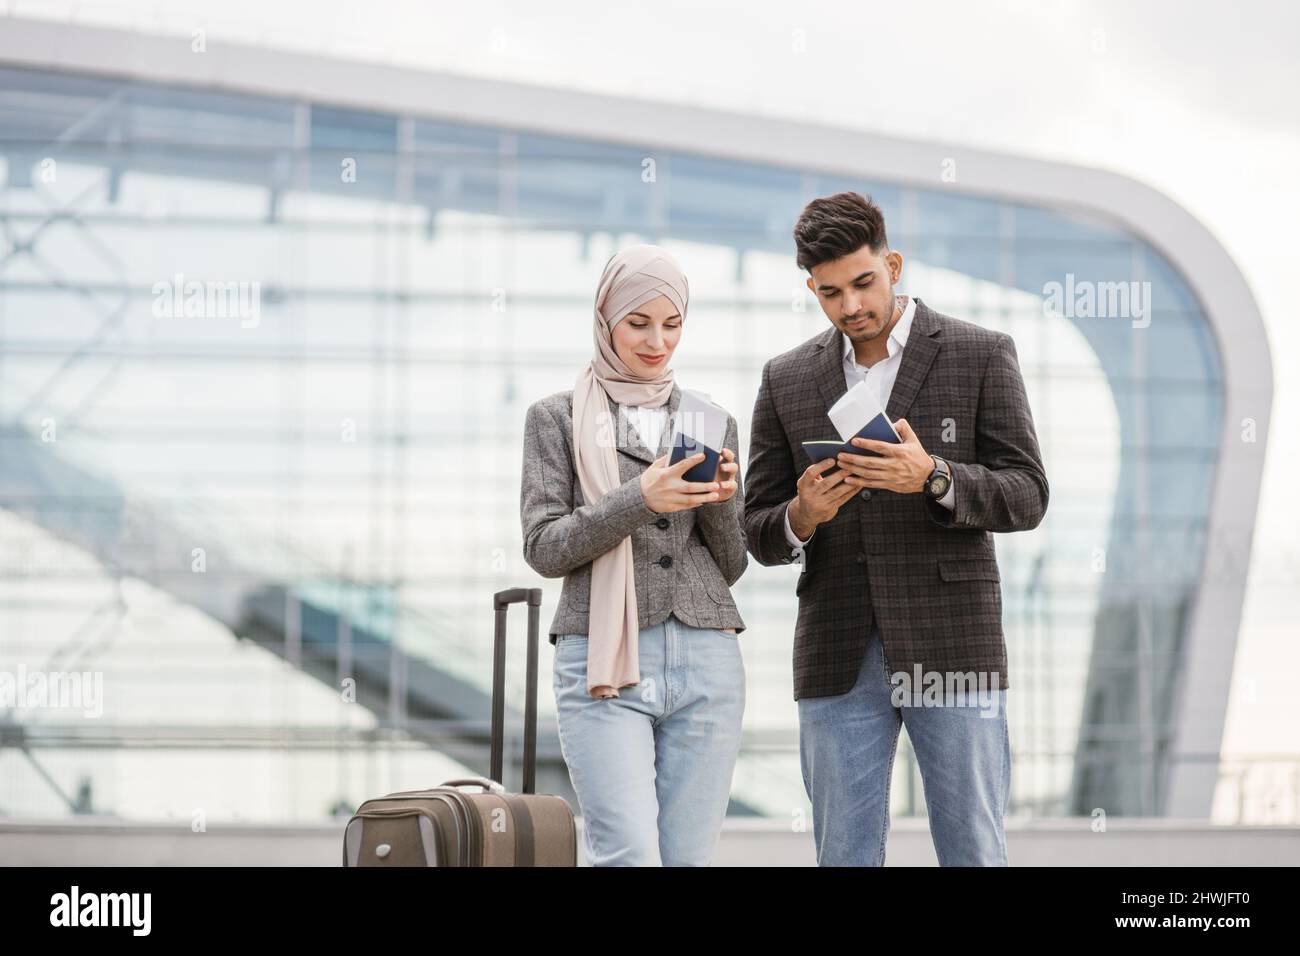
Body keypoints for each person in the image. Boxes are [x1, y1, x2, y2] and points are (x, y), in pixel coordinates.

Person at [743, 192, 1049, 866]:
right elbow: (756, 529)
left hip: (954, 643)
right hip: (837, 648)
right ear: (811, 290)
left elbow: (1028, 494)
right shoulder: (787, 379)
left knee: (973, 848)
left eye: (863, 283)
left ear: (895, 265)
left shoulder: (980, 353)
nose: (850, 306)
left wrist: (934, 475)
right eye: (830, 293)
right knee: (844, 855)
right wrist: (804, 515)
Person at [519, 243, 749, 866]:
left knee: (688, 861)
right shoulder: (557, 418)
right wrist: (640, 497)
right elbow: (544, 546)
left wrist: (723, 499)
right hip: (603, 659)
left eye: (672, 324)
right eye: (639, 323)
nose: (657, 342)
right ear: (605, 318)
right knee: (626, 855)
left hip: (706, 655)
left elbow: (730, 564)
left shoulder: (709, 419)